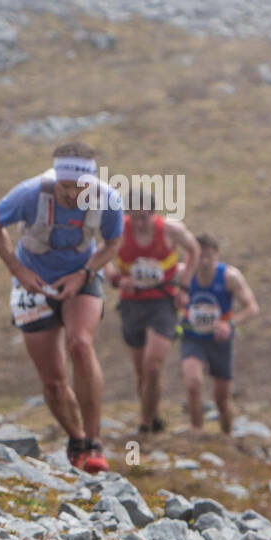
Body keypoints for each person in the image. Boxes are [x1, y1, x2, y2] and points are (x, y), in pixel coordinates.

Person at [0, 142, 124, 473]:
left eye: (80, 187)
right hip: (34, 282)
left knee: (81, 343)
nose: (72, 194)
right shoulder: (30, 193)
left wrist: (85, 273)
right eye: (65, 187)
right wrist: (18, 270)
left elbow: (113, 242)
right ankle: (75, 439)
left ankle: (95, 441)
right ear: (55, 179)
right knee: (53, 380)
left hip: (81, 277)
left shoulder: (109, 200)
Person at [105, 183, 199, 435]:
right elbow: (101, 257)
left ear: (153, 212)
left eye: (144, 217)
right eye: (134, 217)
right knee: (141, 374)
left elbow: (194, 249)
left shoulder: (170, 230)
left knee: (153, 365)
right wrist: (116, 280)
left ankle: (145, 426)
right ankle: (153, 416)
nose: (139, 223)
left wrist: (184, 288)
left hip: (162, 301)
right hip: (132, 302)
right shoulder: (118, 230)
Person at [179, 234, 259, 436]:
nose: (205, 262)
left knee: (221, 397)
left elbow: (251, 307)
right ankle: (197, 432)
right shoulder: (182, 274)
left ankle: (227, 436)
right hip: (192, 337)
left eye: (209, 257)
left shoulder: (229, 277)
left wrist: (229, 324)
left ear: (217, 255)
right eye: (200, 257)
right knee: (193, 383)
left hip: (220, 341)